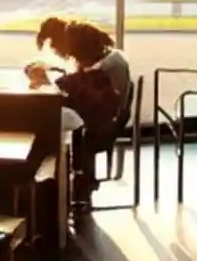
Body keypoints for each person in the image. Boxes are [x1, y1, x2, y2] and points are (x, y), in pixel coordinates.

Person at [28, 17, 132, 201]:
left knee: (55, 124)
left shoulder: (105, 69)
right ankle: (65, 182)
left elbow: (84, 95)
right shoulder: (109, 59)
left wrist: (52, 81)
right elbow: (81, 83)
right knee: (60, 119)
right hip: (105, 117)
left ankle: (63, 185)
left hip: (101, 126)